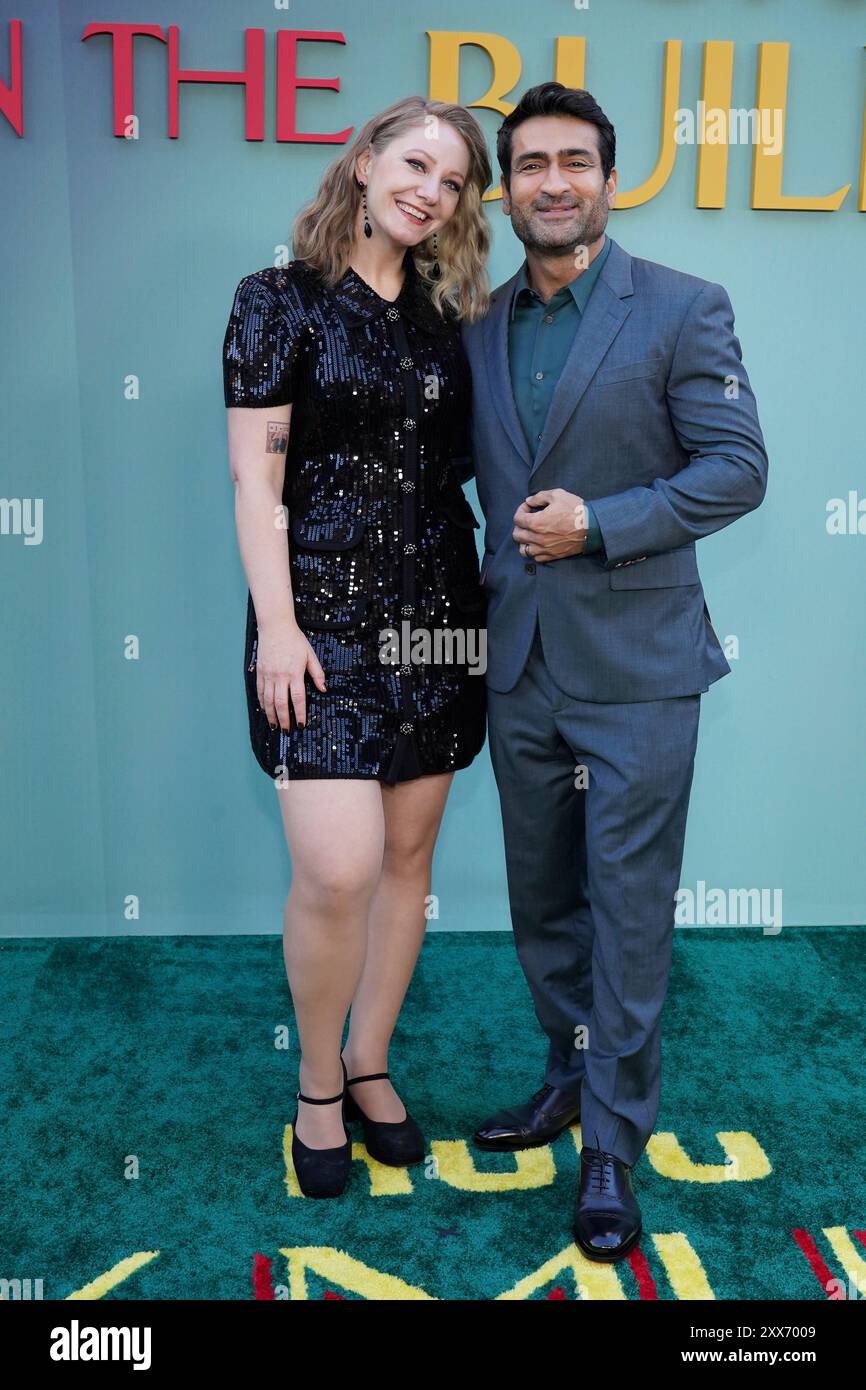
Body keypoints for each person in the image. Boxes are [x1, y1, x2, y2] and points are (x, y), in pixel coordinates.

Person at [460, 82, 768, 1260]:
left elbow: (735, 469)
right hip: (519, 665)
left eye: (573, 161)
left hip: (638, 668)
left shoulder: (683, 308)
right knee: (544, 902)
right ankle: (564, 1073)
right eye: (528, 162)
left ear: (608, 176)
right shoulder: (478, 324)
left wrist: (595, 522)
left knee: (628, 912)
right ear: (504, 187)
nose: (550, 180)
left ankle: (610, 1145)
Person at [222, 97, 491, 1198]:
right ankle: (318, 1083)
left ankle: (373, 1061)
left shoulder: (452, 316)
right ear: (366, 159)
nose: (430, 188)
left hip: (437, 610)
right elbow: (256, 477)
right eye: (414, 161)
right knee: (335, 868)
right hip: (318, 619)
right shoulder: (276, 299)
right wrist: (278, 627)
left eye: (454, 179)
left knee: (406, 862)